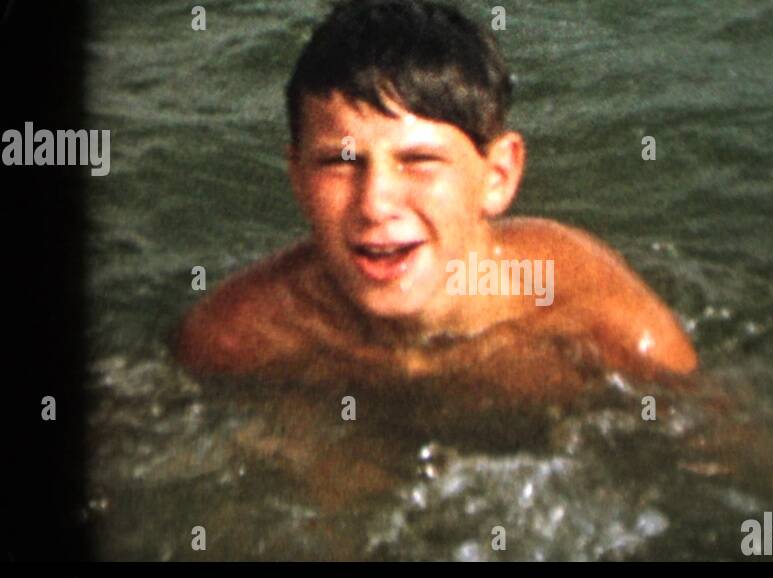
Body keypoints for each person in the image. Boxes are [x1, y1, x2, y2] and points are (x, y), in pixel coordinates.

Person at [171, 0, 697, 408]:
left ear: (497, 175)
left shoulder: (587, 314)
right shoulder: (239, 337)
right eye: (340, 162)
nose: (375, 203)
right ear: (298, 177)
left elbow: (719, 449)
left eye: (419, 160)